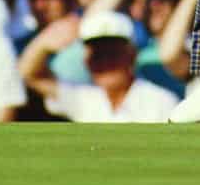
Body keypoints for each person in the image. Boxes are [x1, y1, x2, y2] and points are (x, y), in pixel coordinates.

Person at [20, 11, 180, 123]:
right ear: (87, 62)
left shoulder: (161, 102)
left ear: (131, 56)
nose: (105, 63)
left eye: (112, 54)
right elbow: (29, 75)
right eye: (97, 55)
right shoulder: (86, 98)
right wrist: (43, 44)